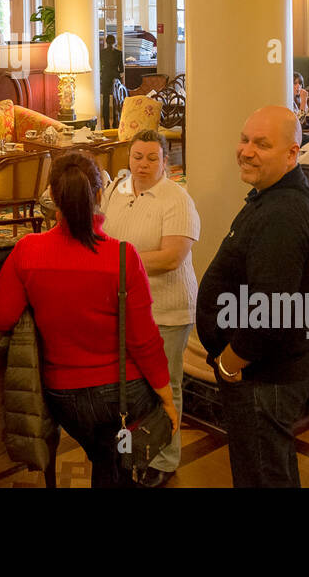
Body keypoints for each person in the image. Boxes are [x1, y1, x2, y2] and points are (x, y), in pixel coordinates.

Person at [0, 152, 177, 488]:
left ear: (51, 197)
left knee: (106, 456)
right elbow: (143, 339)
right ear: (100, 195)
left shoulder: (28, 251)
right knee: (115, 457)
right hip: (124, 393)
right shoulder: (122, 255)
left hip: (65, 397)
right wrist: (167, 397)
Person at [196, 106, 309, 487]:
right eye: (244, 139)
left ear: (291, 153)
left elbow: (272, 311)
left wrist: (229, 364)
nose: (246, 150)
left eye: (262, 144)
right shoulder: (275, 195)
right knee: (274, 471)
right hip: (264, 374)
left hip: (262, 378)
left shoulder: (282, 213)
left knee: (262, 478)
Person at [99, 130, 200, 487]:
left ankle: (165, 458)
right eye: (137, 157)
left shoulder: (177, 199)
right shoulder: (116, 190)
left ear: (165, 162)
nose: (143, 165)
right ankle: (132, 450)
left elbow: (172, 258)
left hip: (166, 309)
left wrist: (118, 263)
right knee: (128, 385)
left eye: (151, 158)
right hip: (125, 307)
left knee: (164, 386)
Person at [100, 34, 124, 129]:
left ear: (106, 41)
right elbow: (121, 68)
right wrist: (120, 77)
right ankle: (115, 123)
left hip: (105, 76)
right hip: (115, 77)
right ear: (114, 42)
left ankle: (106, 124)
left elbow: (100, 65)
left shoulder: (102, 53)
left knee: (105, 100)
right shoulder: (118, 53)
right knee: (116, 100)